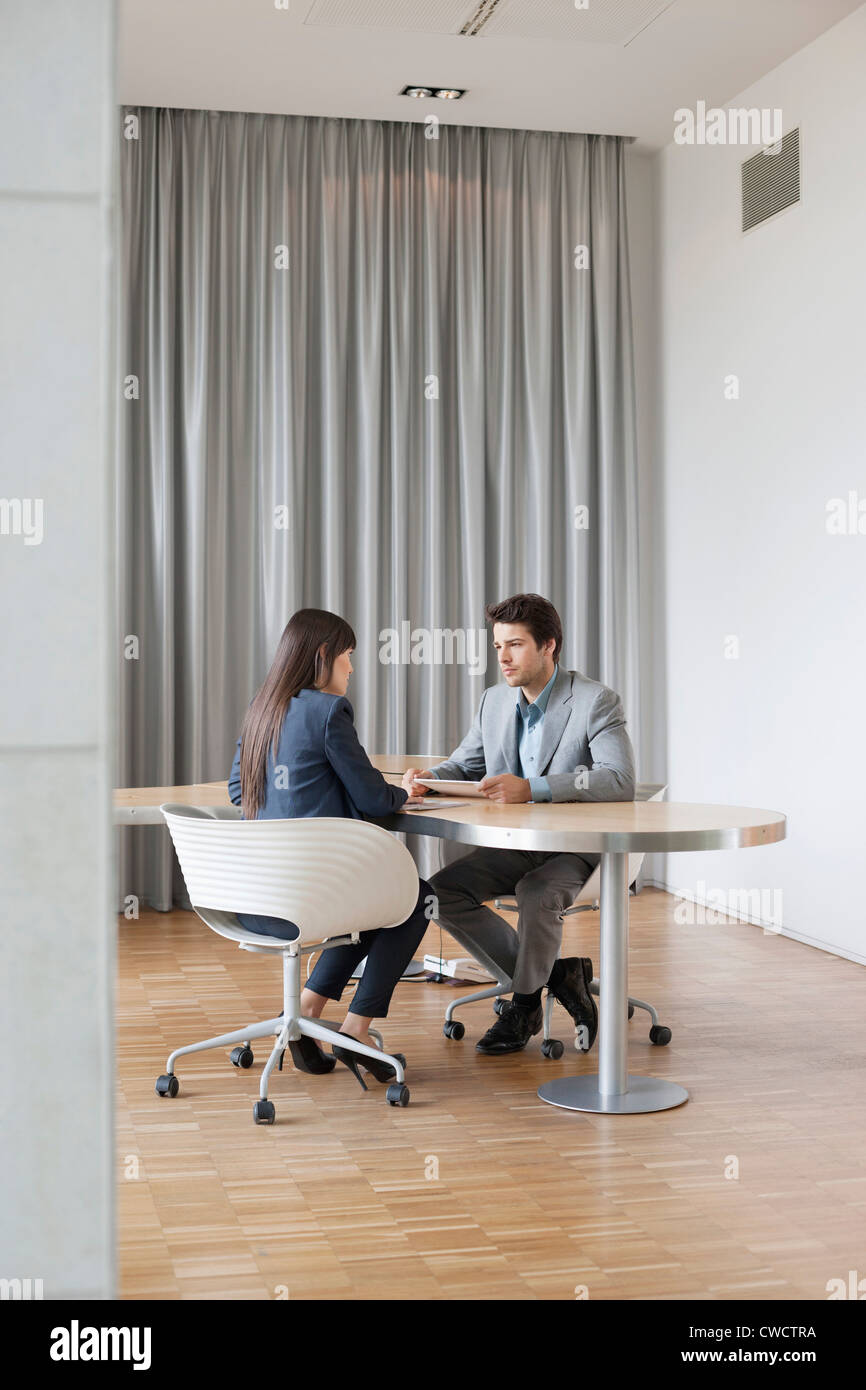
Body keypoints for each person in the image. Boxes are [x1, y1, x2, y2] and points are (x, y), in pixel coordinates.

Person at [405, 593, 636, 1056]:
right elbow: (465, 764)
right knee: (437, 892)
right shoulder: (494, 701)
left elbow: (619, 779)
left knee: (537, 891)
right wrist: (430, 778)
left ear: (549, 645)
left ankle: (526, 1002)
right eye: (497, 647)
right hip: (517, 844)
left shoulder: (594, 701)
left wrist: (534, 789)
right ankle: (558, 975)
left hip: (579, 850)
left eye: (515, 645)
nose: (503, 658)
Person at [227, 608, 430, 1087]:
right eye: (348, 657)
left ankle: (305, 1012)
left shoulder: (262, 708)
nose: (352, 669)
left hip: (255, 902)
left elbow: (240, 791)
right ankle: (355, 1032)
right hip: (306, 902)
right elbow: (374, 800)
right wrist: (406, 790)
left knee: (373, 904)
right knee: (415, 899)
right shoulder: (327, 711)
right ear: (324, 657)